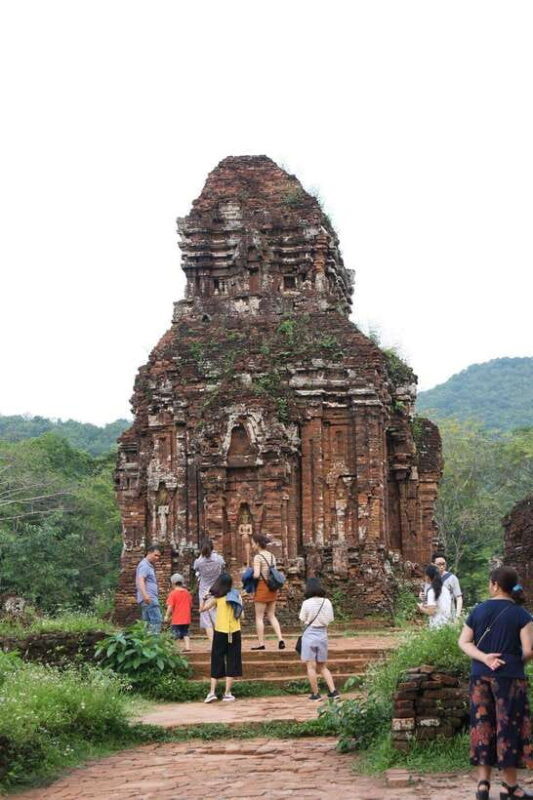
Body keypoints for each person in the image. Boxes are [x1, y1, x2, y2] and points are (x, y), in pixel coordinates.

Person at [458, 566, 533, 800]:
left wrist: (485, 658)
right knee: (508, 726)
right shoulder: (522, 615)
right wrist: (510, 661)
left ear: (495, 585)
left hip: (480, 675)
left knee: (482, 725)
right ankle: (509, 786)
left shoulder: (478, 610)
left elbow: (464, 642)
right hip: (510, 677)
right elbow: (529, 650)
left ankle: (482, 784)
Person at [199, 572, 243, 703]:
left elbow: (202, 610)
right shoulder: (236, 595)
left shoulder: (218, 598)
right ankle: (227, 693)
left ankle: (212, 692)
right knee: (232, 660)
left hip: (220, 632)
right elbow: (242, 615)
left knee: (216, 659)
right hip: (234, 631)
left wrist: (204, 598)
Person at [298, 577, 340, 701]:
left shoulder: (306, 603)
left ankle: (316, 694)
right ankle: (333, 691)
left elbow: (302, 619)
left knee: (311, 667)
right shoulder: (327, 602)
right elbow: (330, 619)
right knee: (322, 666)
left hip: (309, 635)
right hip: (322, 634)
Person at [251, 533, 285, 651]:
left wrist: (249, 573)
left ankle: (261, 643)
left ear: (258, 544)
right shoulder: (271, 556)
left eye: (253, 543)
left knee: (259, 617)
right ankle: (280, 639)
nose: (252, 546)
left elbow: (256, 575)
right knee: (271, 615)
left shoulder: (258, 557)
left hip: (262, 587)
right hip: (272, 587)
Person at [193, 539, 225, 645]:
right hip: (217, 590)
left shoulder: (199, 561)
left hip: (204, 592)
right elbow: (223, 566)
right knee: (217, 616)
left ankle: (213, 644)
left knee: (206, 619)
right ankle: (221, 641)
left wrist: (200, 556)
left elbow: (196, 569)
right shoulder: (218, 559)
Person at [135, 544, 162, 633]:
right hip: (149, 598)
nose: (157, 558)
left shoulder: (148, 565)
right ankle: (154, 643)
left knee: (147, 623)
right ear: (149, 553)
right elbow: (140, 580)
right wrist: (145, 595)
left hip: (147, 598)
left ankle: (147, 644)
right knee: (156, 620)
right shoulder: (145, 565)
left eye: (159, 556)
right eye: (155, 555)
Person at [417, 564, 453, 628]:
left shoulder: (431, 591)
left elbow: (431, 612)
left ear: (428, 577)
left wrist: (421, 608)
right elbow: (440, 606)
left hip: (436, 626)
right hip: (447, 625)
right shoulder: (445, 589)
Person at [164, 573, 193, 652]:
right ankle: (187, 647)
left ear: (173, 583)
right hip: (186, 618)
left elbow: (170, 606)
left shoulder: (173, 594)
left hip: (177, 618)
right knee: (185, 633)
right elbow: (190, 604)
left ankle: (174, 648)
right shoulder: (187, 593)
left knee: (174, 634)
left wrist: (167, 616)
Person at [433, 553, 463, 619]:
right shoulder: (429, 578)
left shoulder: (452, 578)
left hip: (448, 615)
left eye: (443, 564)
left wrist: (457, 616)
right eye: (439, 564)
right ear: (433, 564)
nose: (441, 566)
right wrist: (422, 596)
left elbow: (459, 598)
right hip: (433, 615)